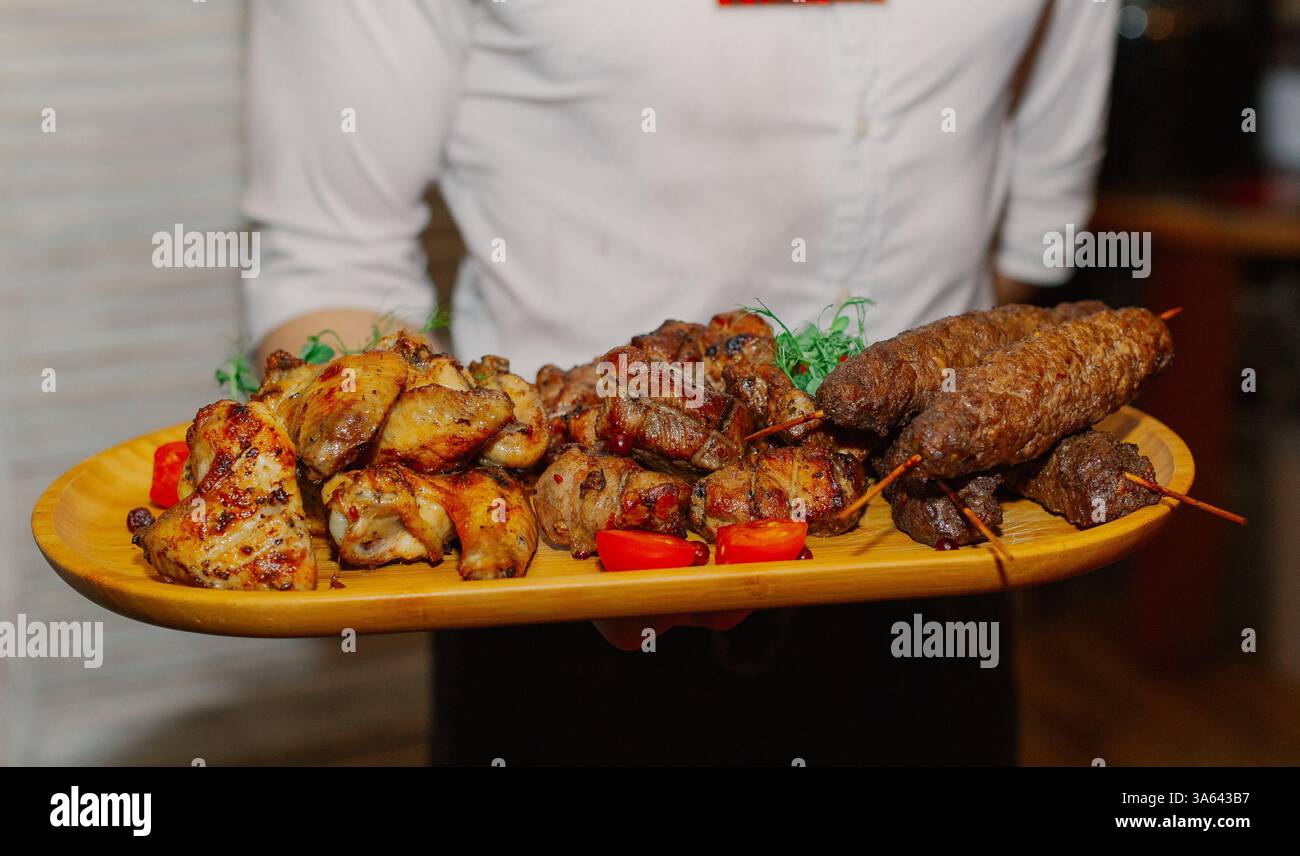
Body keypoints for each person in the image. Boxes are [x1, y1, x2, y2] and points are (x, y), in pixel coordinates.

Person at [244, 0, 1120, 765]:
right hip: (548, 590)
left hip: (940, 553)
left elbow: (1032, 227)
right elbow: (329, 254)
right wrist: (436, 485)